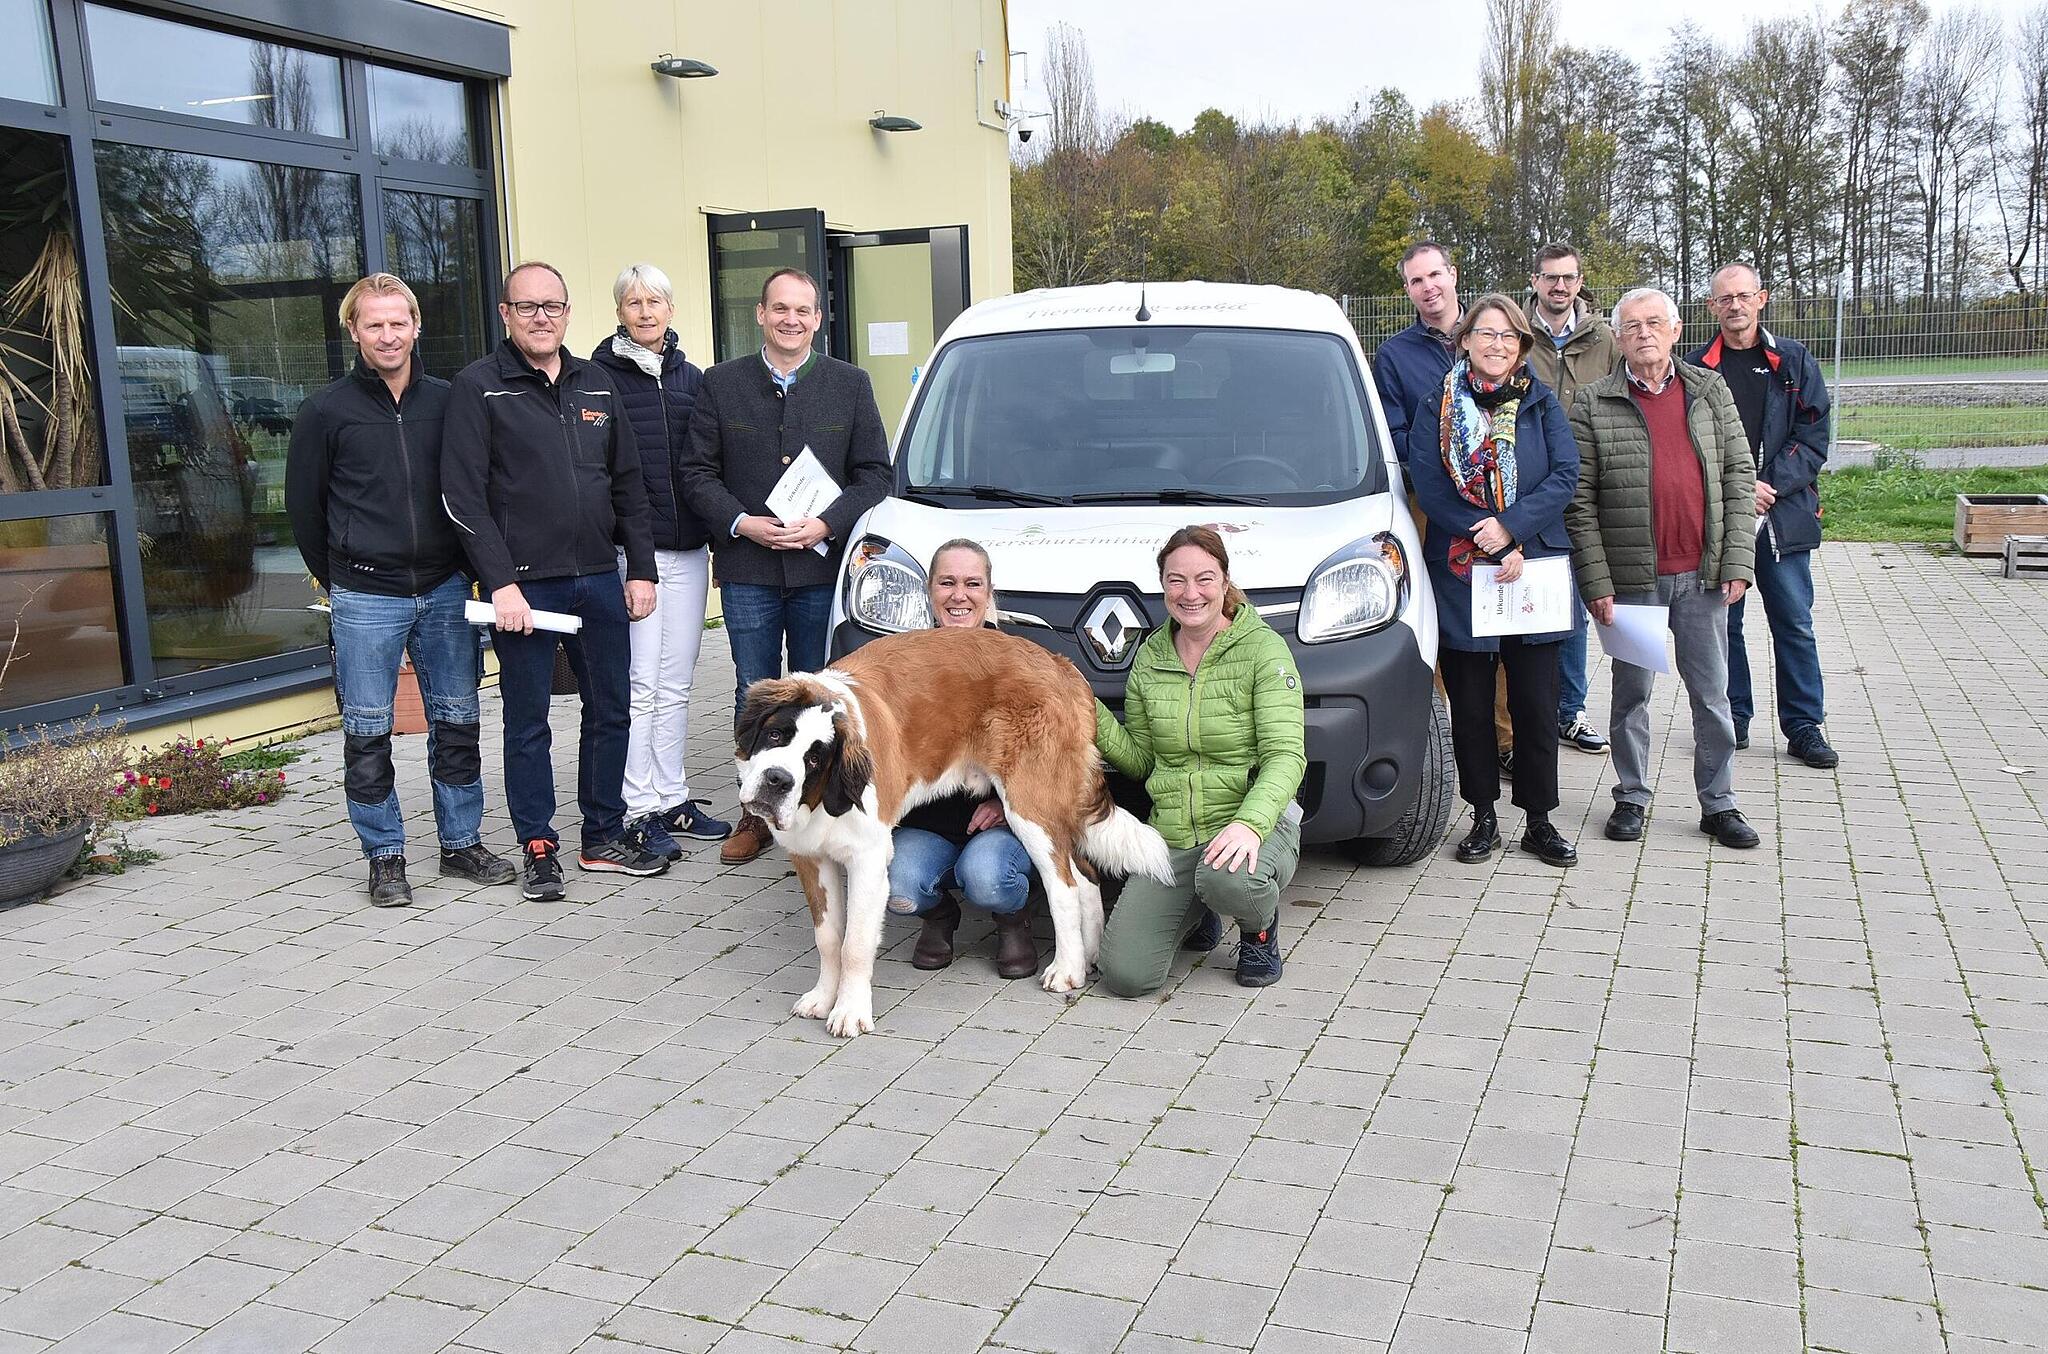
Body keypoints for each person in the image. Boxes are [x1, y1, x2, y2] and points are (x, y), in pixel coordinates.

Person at [286, 273, 515, 907]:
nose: (387, 335)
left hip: (445, 588)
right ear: (354, 332)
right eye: (373, 324)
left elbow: (478, 489)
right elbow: (304, 510)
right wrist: (343, 580)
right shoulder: (326, 411)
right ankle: (384, 856)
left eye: (398, 323)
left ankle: (461, 844)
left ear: (417, 328)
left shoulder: (452, 401)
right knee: (366, 732)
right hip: (365, 597)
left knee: (458, 721)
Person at [442, 261, 668, 901]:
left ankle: (602, 835)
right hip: (524, 589)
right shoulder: (478, 388)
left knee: (611, 709)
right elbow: (462, 498)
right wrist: (499, 583)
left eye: (553, 306)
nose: (541, 317)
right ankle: (538, 844)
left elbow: (629, 484)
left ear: (568, 313)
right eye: (527, 306)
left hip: (599, 578)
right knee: (528, 719)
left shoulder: (595, 383)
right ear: (506, 314)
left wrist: (642, 569)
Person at [679, 267, 893, 866]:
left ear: (819, 318)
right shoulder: (721, 384)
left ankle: (815, 807)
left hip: (820, 572)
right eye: (780, 309)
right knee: (755, 694)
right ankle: (753, 813)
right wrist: (742, 523)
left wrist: (826, 522)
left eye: (802, 310)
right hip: (748, 567)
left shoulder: (849, 384)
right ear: (760, 314)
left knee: (818, 693)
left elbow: (876, 474)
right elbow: (696, 474)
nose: (790, 320)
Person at [1566, 287, 1760, 849]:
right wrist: (1596, 582)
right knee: (1631, 697)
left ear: (1676, 331)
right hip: (1632, 582)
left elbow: (1739, 480)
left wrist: (1739, 560)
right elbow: (1579, 502)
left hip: (1702, 577)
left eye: (1654, 323)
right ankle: (1630, 796)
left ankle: (1719, 804)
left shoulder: (1709, 389)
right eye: (1631, 326)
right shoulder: (1595, 402)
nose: (1644, 333)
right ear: (1618, 338)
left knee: (1713, 696)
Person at [1406, 294, 1581, 869]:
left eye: (1509, 336)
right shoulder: (1438, 406)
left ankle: (1540, 819)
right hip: (1463, 575)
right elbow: (1430, 487)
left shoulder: (1540, 402)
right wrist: (1483, 535)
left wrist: (1510, 529)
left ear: (1522, 345)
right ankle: (1482, 814)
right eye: (1487, 334)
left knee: (1534, 700)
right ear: (1465, 341)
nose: (1498, 345)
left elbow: (1564, 475)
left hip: (1529, 566)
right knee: (1473, 705)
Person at [1094, 525, 1306, 995]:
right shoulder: (1150, 656)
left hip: (1251, 824)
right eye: (1177, 580)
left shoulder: (1262, 649)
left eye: (1204, 578)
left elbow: (1286, 756)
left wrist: (1249, 824)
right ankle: (1198, 913)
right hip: (1174, 834)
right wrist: (1086, 711)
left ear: (1225, 580)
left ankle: (1259, 933)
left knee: (1229, 880)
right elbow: (1144, 762)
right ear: (1163, 584)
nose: (1191, 594)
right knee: (1126, 976)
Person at [589, 263, 732, 860]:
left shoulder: (693, 380)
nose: (645, 312)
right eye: (634, 302)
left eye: (656, 302)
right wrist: (635, 559)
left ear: (672, 311)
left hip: (689, 550)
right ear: (619, 311)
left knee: (675, 684)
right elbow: (608, 477)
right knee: (640, 684)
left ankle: (671, 795)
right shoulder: (597, 378)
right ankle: (636, 804)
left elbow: (707, 467)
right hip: (635, 556)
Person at [1684, 262, 1838, 769]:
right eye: (1724, 298)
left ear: (1761, 299)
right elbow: (1687, 445)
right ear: (1712, 306)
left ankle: (1803, 725)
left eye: (1743, 296)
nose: (1735, 305)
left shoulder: (1792, 361)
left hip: (1783, 515)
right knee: (1723, 623)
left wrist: (1766, 483)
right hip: (1721, 518)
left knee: (1793, 621)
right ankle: (1736, 718)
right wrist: (1737, 490)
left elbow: (1814, 437)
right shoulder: (1696, 368)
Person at [1375, 240, 1516, 771]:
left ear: (1454, 275)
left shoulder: (1493, 335)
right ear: (1408, 290)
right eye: (1416, 280)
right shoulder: (1395, 356)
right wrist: (1443, 474)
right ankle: (1450, 734)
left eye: (1435, 274)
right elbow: (1394, 434)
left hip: (1500, 504)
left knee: (1499, 616)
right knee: (1439, 617)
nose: (1428, 287)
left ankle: (1505, 738)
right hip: (1430, 504)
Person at [886, 540, 1039, 979]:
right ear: (929, 591)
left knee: (989, 877)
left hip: (1000, 820)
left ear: (990, 593)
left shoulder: (1016, 662)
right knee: (900, 887)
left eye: (973, 584)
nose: (959, 595)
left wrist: (1006, 803)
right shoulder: (901, 664)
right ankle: (939, 917)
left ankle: (1013, 920)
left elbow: (1037, 759)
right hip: (926, 823)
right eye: (947, 583)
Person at [1522, 242, 1617, 758]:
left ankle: (1571, 711)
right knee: (1535, 601)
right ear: (1535, 280)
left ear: (1580, 282)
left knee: (1580, 600)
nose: (1560, 286)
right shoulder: (1518, 337)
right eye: (1550, 277)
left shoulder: (1605, 340)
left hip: (1589, 485)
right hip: (1531, 489)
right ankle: (1530, 711)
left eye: (1569, 278)